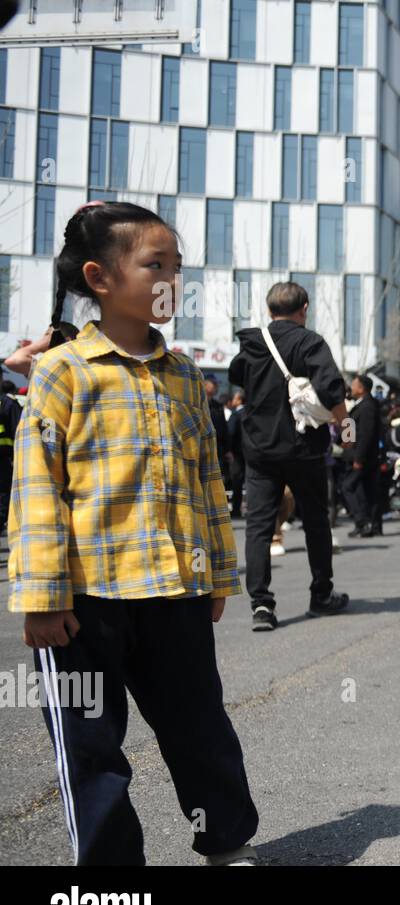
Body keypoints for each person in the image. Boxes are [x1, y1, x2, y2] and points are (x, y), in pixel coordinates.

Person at [8, 200, 257, 864]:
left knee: (200, 731)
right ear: (99, 276)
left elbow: (207, 483)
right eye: (155, 265)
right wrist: (41, 596)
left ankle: (227, 844)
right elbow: (37, 488)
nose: (171, 280)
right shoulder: (63, 371)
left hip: (173, 592)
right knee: (91, 751)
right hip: (82, 605)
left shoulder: (183, 378)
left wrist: (217, 577)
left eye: (178, 266)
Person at [228, 281, 351, 632]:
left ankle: (261, 605)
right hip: (304, 448)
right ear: (305, 308)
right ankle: (321, 595)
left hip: (260, 448)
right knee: (315, 521)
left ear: (269, 311)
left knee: (258, 526)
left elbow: (238, 375)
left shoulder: (252, 343)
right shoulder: (309, 342)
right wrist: (345, 425)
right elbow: (331, 387)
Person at [342, 374, 384, 537]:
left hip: (362, 458)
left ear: (361, 389)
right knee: (369, 491)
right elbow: (350, 430)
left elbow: (366, 435)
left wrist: (358, 458)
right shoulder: (360, 406)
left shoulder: (367, 407)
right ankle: (373, 526)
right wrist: (343, 439)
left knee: (348, 487)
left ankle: (362, 522)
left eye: (353, 385)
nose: (350, 388)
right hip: (359, 455)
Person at [0, 379, 22, 537]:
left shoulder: (7, 403)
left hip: (4, 458)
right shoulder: (8, 403)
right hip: (4, 459)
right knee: (4, 495)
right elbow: (19, 432)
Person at [227, 388, 247, 518]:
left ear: (239, 399)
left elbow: (230, 432)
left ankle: (236, 509)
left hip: (237, 453)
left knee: (237, 482)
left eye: (234, 398)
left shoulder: (235, 415)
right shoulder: (251, 412)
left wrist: (229, 449)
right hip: (251, 452)